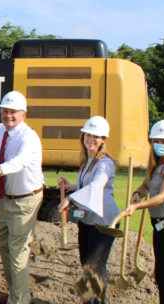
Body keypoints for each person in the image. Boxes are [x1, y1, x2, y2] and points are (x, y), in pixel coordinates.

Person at [0, 91, 44, 304]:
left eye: (13, 112)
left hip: (26, 199)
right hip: (7, 197)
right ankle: (16, 294)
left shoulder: (29, 137)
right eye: (5, 111)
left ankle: (20, 301)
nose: (8, 116)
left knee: (17, 253)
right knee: (4, 244)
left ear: (23, 114)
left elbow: (20, 161)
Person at [121, 120, 164, 304]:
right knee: (160, 274)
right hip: (159, 225)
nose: (160, 145)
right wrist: (137, 194)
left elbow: (163, 196)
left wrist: (137, 207)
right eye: (156, 141)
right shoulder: (157, 166)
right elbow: (145, 186)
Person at [57, 116, 119, 304]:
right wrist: (72, 186)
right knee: (86, 265)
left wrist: (69, 198)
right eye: (88, 135)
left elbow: (96, 187)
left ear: (103, 140)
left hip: (103, 222)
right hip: (87, 220)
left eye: (96, 136)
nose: (91, 139)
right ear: (83, 136)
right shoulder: (87, 161)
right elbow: (86, 185)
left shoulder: (105, 164)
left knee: (96, 267)